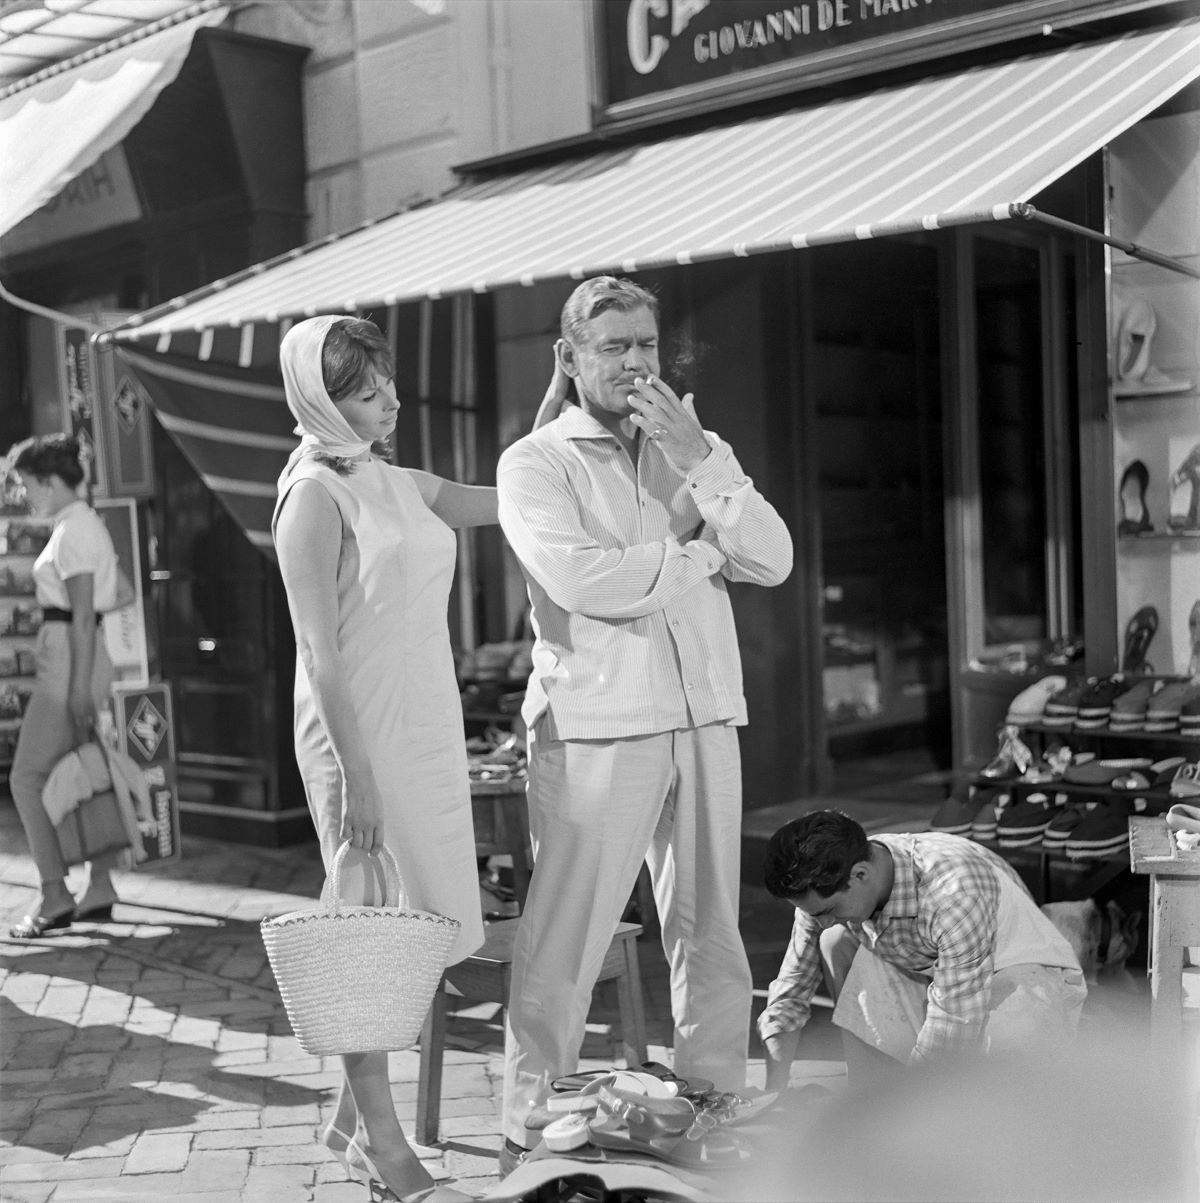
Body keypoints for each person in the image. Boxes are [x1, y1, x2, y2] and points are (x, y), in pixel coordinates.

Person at [496, 275, 794, 1168]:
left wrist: (704, 461)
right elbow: (585, 582)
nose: (635, 363)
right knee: (569, 927)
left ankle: (711, 1092)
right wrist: (700, 552)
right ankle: (529, 1105)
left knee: (711, 926)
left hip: (705, 712)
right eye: (613, 346)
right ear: (570, 358)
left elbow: (772, 560)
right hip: (598, 720)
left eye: (647, 346)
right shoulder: (535, 462)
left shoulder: (696, 447)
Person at [274, 315, 564, 1203]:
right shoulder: (312, 495)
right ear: (321, 401)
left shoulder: (394, 478)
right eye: (366, 393)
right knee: (368, 937)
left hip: (425, 724)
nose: (391, 400)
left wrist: (558, 405)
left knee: (420, 927)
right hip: (357, 733)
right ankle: (386, 1148)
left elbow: (502, 499)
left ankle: (353, 1115)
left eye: (389, 382)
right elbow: (319, 650)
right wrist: (356, 777)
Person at [757, 810, 1087, 1093]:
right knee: (833, 940)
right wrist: (774, 1092)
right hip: (931, 959)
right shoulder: (828, 875)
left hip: (1013, 961)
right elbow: (793, 987)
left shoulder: (954, 892)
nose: (823, 920)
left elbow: (953, 1021)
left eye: (829, 909)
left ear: (861, 874)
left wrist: (913, 1124)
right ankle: (871, 1094)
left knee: (1006, 1071)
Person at [6, 434, 131, 940]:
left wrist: (79, 686)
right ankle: (99, 885)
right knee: (86, 773)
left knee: (26, 777)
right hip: (82, 660)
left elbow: (81, 617)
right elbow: (120, 592)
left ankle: (55, 893)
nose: (24, 497)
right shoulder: (82, 525)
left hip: (69, 667)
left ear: (53, 482)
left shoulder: (74, 529)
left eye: (29, 485)